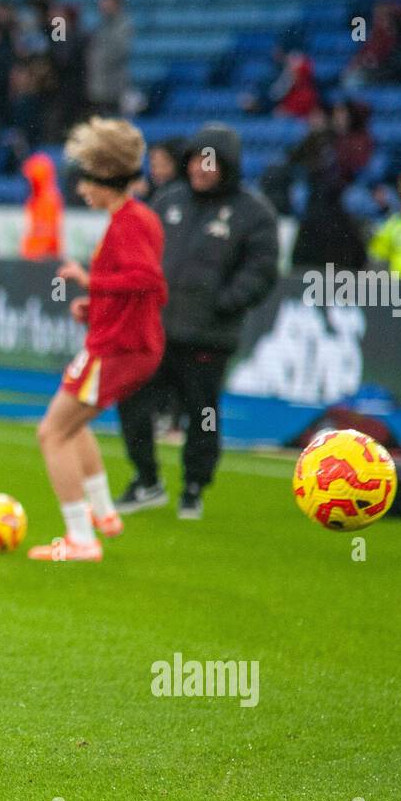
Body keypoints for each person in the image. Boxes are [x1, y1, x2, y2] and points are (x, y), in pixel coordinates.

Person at [116, 124, 279, 520]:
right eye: (195, 160)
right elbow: (139, 249)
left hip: (208, 338)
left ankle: (193, 487)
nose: (200, 170)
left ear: (228, 166)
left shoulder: (252, 214)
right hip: (155, 331)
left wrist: (225, 303)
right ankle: (147, 478)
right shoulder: (169, 200)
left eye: (210, 162)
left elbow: (262, 270)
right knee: (131, 400)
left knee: (202, 414)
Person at [26, 117, 167, 562]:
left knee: (52, 433)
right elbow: (137, 286)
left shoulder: (130, 222)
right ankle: (104, 514)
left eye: (86, 179)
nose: (81, 189)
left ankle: (80, 539)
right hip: (119, 340)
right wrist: (96, 302)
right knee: (73, 422)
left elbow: (149, 280)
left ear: (105, 178)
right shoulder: (134, 217)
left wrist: (94, 283)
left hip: (118, 348)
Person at [85, 0, 132, 116]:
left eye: (106, 2)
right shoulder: (102, 25)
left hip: (112, 85)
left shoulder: (122, 24)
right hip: (98, 84)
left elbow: (118, 51)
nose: (102, 5)